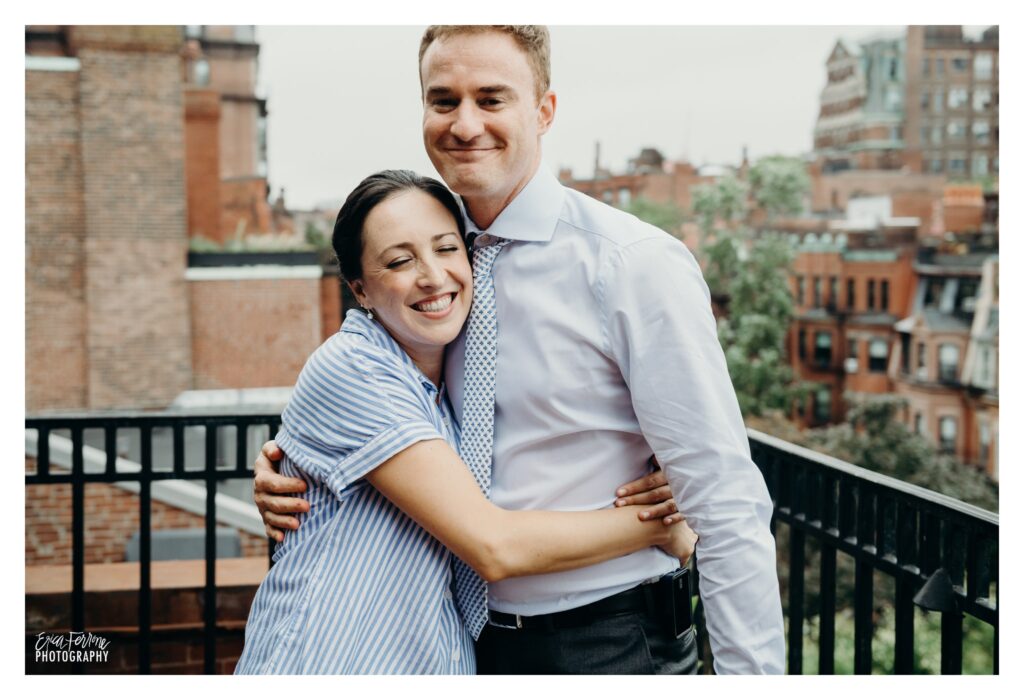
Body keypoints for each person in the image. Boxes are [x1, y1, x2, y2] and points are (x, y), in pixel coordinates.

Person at [255, 25, 785, 674]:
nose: (465, 122)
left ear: (544, 110)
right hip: (463, 642)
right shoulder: (445, 268)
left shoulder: (630, 264)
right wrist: (298, 464)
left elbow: (726, 500)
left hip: (605, 643)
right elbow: (393, 409)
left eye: (492, 98)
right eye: (443, 100)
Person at [235, 169, 697, 675]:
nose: (432, 275)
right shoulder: (354, 368)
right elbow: (491, 546)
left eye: (446, 249)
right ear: (360, 290)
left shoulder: (449, 372)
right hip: (331, 661)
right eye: (400, 261)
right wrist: (660, 528)